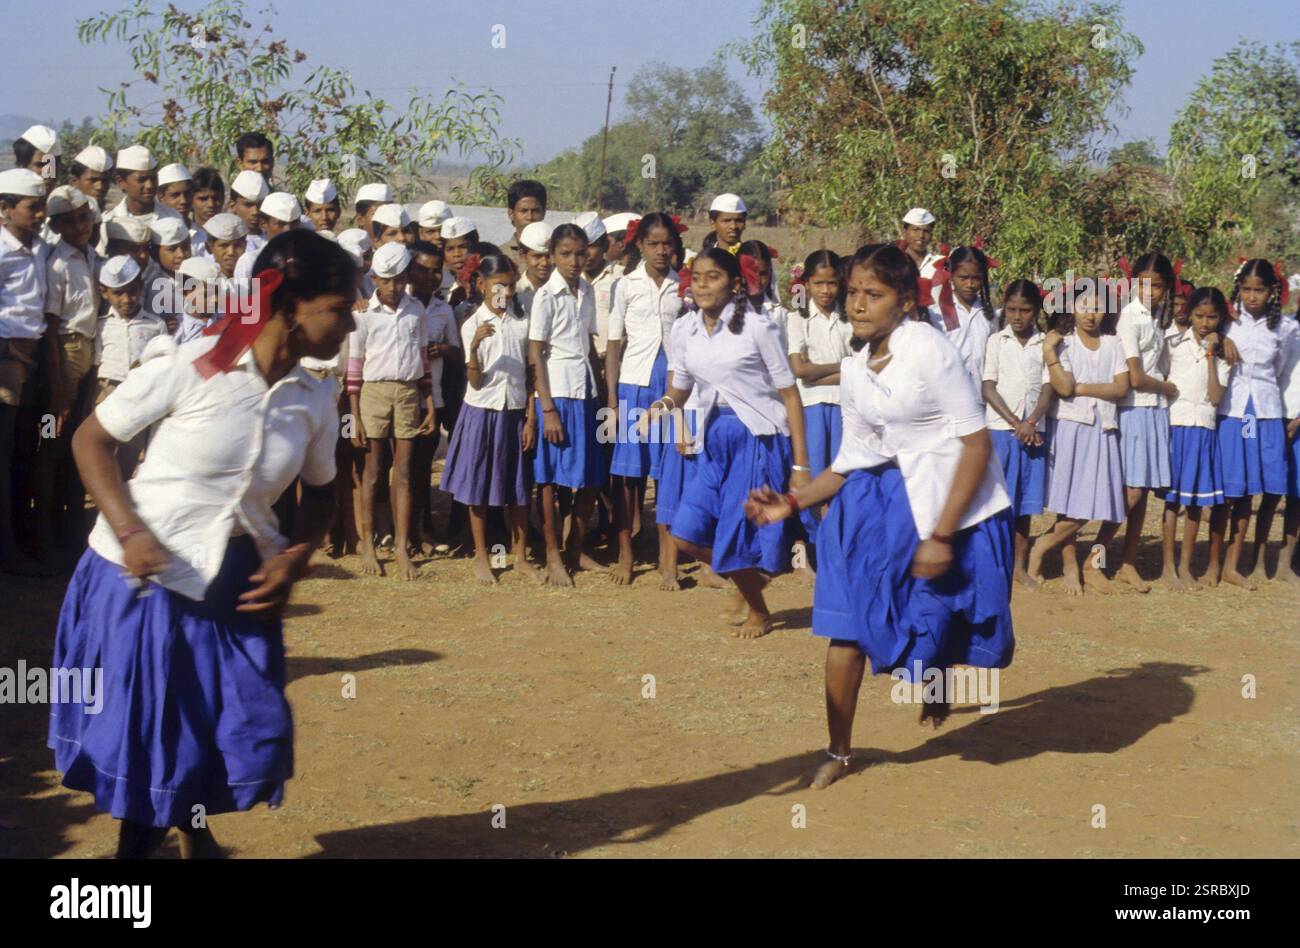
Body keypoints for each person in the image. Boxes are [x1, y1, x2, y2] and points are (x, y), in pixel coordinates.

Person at [49, 228, 356, 859]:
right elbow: (91, 440)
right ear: (288, 306)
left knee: (229, 727)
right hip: (142, 582)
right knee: (154, 733)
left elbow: (323, 492)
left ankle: (187, 832)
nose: (351, 322)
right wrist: (131, 533)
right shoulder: (195, 367)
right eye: (339, 307)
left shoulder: (315, 399)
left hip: (236, 588)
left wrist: (297, 557)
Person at [746, 242, 1014, 789]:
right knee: (845, 631)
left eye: (874, 294)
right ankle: (839, 751)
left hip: (944, 504)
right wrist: (792, 503)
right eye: (852, 293)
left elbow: (977, 445)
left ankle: (934, 677)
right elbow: (849, 461)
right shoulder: (855, 366)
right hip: (871, 509)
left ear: (906, 301)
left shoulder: (929, 350)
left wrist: (941, 535)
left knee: (937, 624)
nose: (859, 305)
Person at [641, 248, 811, 637]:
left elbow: (789, 395)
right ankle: (749, 581)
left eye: (713, 276)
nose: (702, 284)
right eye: (696, 276)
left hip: (757, 438)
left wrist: (800, 467)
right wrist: (662, 406)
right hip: (712, 438)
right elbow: (680, 388)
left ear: (735, 284)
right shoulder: (684, 328)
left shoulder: (759, 327)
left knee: (736, 536)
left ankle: (758, 610)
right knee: (684, 533)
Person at [439, 252, 544, 585]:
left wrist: (529, 418)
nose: (506, 293)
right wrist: (473, 348)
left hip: (513, 412)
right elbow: (474, 380)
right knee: (478, 486)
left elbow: (530, 376)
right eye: (499, 286)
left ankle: (520, 556)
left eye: (511, 286)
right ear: (482, 285)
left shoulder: (521, 323)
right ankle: (482, 556)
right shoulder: (472, 323)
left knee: (517, 488)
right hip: (481, 412)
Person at [1027, 279, 1130, 594]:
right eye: (1084, 306)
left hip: (1103, 428)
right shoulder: (1064, 342)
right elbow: (1062, 387)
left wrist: (1082, 387)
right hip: (1071, 427)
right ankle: (1070, 566)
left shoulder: (1113, 344)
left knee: (1101, 502)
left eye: (1098, 307)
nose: (1090, 314)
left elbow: (1120, 388)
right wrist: (1050, 352)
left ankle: (1044, 545)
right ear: (1071, 307)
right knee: (1071, 502)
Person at [346, 242, 435, 580]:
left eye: (398, 279)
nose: (393, 287)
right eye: (386, 280)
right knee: (372, 469)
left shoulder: (416, 310)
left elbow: (423, 359)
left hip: (409, 391)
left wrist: (428, 401)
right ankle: (368, 543)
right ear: (375, 279)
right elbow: (355, 367)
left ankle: (400, 546)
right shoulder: (364, 314)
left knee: (405, 471)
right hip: (373, 392)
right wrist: (353, 415)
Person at [605, 212, 685, 585]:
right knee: (627, 475)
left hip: (674, 388)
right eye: (653, 243)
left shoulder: (681, 286)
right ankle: (626, 555)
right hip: (633, 385)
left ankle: (667, 560)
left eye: (667, 243)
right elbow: (612, 346)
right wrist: (612, 400)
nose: (661, 250)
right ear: (639, 245)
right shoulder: (626, 286)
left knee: (671, 472)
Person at [529, 223, 606, 586]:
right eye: (565, 254)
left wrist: (601, 391)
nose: (574, 261)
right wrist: (547, 409)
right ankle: (552, 556)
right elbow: (536, 352)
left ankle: (575, 546)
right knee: (549, 480)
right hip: (556, 393)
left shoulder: (587, 292)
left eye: (580, 253)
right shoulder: (546, 296)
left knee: (589, 477)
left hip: (585, 392)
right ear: (552, 256)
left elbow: (589, 346)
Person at [1215, 259, 1297, 587]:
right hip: (1235, 411)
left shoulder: (1286, 328)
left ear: (1272, 292)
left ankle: (1249, 560)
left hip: (1262, 412)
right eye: (1246, 290)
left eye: (1259, 290)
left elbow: (1284, 371)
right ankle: (1217, 562)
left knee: (1256, 487)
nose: (1252, 297)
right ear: (1238, 289)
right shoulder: (1228, 321)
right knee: (1232, 489)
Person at [1111, 253, 1178, 591]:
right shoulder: (1129, 317)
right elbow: (1136, 377)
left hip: (1154, 411)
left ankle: (1127, 562)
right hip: (1134, 408)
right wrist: (1167, 387)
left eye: (1158, 285)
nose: (1150, 290)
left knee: (1144, 492)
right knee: (1130, 493)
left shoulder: (1158, 318)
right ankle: (1094, 557)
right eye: (1144, 283)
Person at [982, 279, 1052, 587]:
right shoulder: (997, 341)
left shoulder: (1045, 343)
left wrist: (1032, 421)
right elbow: (988, 386)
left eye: (1024, 310)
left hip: (1034, 432)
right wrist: (1016, 423)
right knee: (997, 501)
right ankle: (993, 563)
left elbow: (1049, 387)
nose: (1017, 316)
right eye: (1011, 309)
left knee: (1024, 503)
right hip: (1002, 431)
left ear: (1036, 310)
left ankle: (1018, 567)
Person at [1159, 286, 1230, 588]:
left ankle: (1185, 566)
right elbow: (1161, 377)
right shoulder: (1173, 344)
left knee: (1196, 504)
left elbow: (1215, 396)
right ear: (1189, 314)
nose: (1204, 323)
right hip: (1177, 426)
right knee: (1172, 502)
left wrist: (1212, 354)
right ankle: (1167, 568)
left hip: (1204, 429)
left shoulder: (1224, 353)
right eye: (1199, 316)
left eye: (1211, 317)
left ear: (1220, 318)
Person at [0, 168, 52, 575]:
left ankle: (35, 534)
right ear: (5, 209)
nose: (39, 215)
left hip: (39, 359)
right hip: (7, 363)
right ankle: (8, 548)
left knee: (40, 441)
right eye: (32, 208)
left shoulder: (40, 247)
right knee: (6, 453)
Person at [94, 256, 169, 479]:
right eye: (118, 293)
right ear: (104, 292)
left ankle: (123, 493)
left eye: (132, 291)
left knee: (129, 451)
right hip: (106, 392)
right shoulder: (102, 324)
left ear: (141, 288)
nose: (127, 299)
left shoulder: (155, 324)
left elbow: (162, 366)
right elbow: (96, 364)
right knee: (103, 448)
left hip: (139, 394)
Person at [929, 245, 995, 390]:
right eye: (963, 278)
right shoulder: (937, 314)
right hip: (949, 395)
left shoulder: (989, 314)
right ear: (951, 275)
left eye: (976, 278)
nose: (970, 284)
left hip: (982, 397)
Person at [97, 145, 181, 255]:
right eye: (141, 180)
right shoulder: (108, 222)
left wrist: (176, 273)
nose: (150, 185)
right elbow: (103, 262)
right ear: (121, 182)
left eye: (153, 178)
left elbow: (181, 266)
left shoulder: (174, 217)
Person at [514, 221, 554, 318]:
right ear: (522, 255)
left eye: (549, 256)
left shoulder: (568, 288)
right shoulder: (514, 292)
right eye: (537, 256)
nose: (544, 263)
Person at [504, 179, 547, 268]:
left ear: (544, 213)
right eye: (523, 211)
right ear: (511, 213)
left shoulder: (555, 253)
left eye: (535, 211)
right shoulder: (501, 255)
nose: (530, 217)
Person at [228, 170, 270, 257]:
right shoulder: (225, 244)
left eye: (260, 205)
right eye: (248, 205)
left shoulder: (274, 240)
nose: (255, 212)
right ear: (233, 206)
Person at [189, 167, 225, 256]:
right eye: (203, 199)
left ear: (223, 199)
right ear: (191, 200)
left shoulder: (232, 236)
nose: (211, 204)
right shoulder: (185, 237)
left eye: (216, 198)